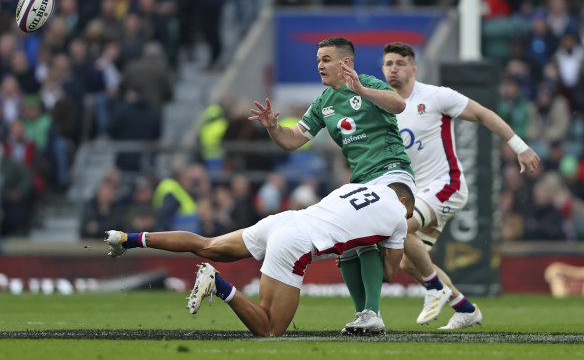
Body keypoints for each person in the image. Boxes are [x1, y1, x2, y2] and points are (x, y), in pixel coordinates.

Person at [249, 37, 414, 333]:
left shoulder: (367, 82)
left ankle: (373, 310)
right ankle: (366, 315)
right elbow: (293, 140)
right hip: (362, 184)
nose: (320, 65)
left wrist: (362, 91)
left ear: (345, 63)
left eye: (326, 59)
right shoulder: (323, 103)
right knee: (347, 248)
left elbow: (399, 104)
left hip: (392, 176)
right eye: (318, 60)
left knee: (364, 240)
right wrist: (273, 128)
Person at [105, 182, 414, 337]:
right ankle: (219, 284)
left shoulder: (356, 187)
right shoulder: (399, 214)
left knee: (206, 244)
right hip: (296, 244)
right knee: (269, 328)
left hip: (283, 221)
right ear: (403, 201)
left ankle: (127, 239)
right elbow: (388, 271)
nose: (407, 217)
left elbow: (347, 225)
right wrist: (379, 246)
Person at [381, 42, 541, 329]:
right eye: (389, 63)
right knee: (409, 262)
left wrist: (519, 146)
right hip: (418, 194)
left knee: (397, 226)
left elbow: (482, 113)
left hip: (447, 185)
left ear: (413, 69)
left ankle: (434, 289)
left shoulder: (435, 96)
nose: (393, 68)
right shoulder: (384, 107)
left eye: (400, 63)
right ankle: (464, 307)